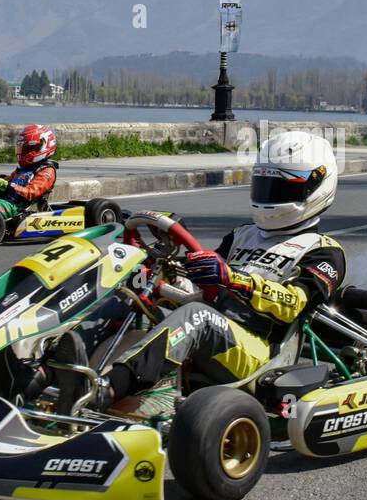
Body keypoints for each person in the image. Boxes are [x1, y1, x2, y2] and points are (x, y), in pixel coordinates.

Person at [90, 131, 346, 410]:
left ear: (316, 188)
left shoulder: (324, 251)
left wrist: (233, 279)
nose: (270, 196)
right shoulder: (242, 235)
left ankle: (109, 389)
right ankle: (55, 371)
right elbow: (204, 283)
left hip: (258, 350)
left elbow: (293, 303)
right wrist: (163, 273)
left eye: (282, 188)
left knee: (196, 317)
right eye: (265, 184)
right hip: (213, 326)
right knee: (126, 298)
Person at [0, 123, 59, 208]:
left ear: (43, 146)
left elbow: (31, 193)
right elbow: (8, 181)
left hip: (21, 208)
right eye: (23, 149)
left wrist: (4, 185)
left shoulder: (47, 171)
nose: (24, 152)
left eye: (28, 148)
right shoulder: (22, 169)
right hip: (6, 202)